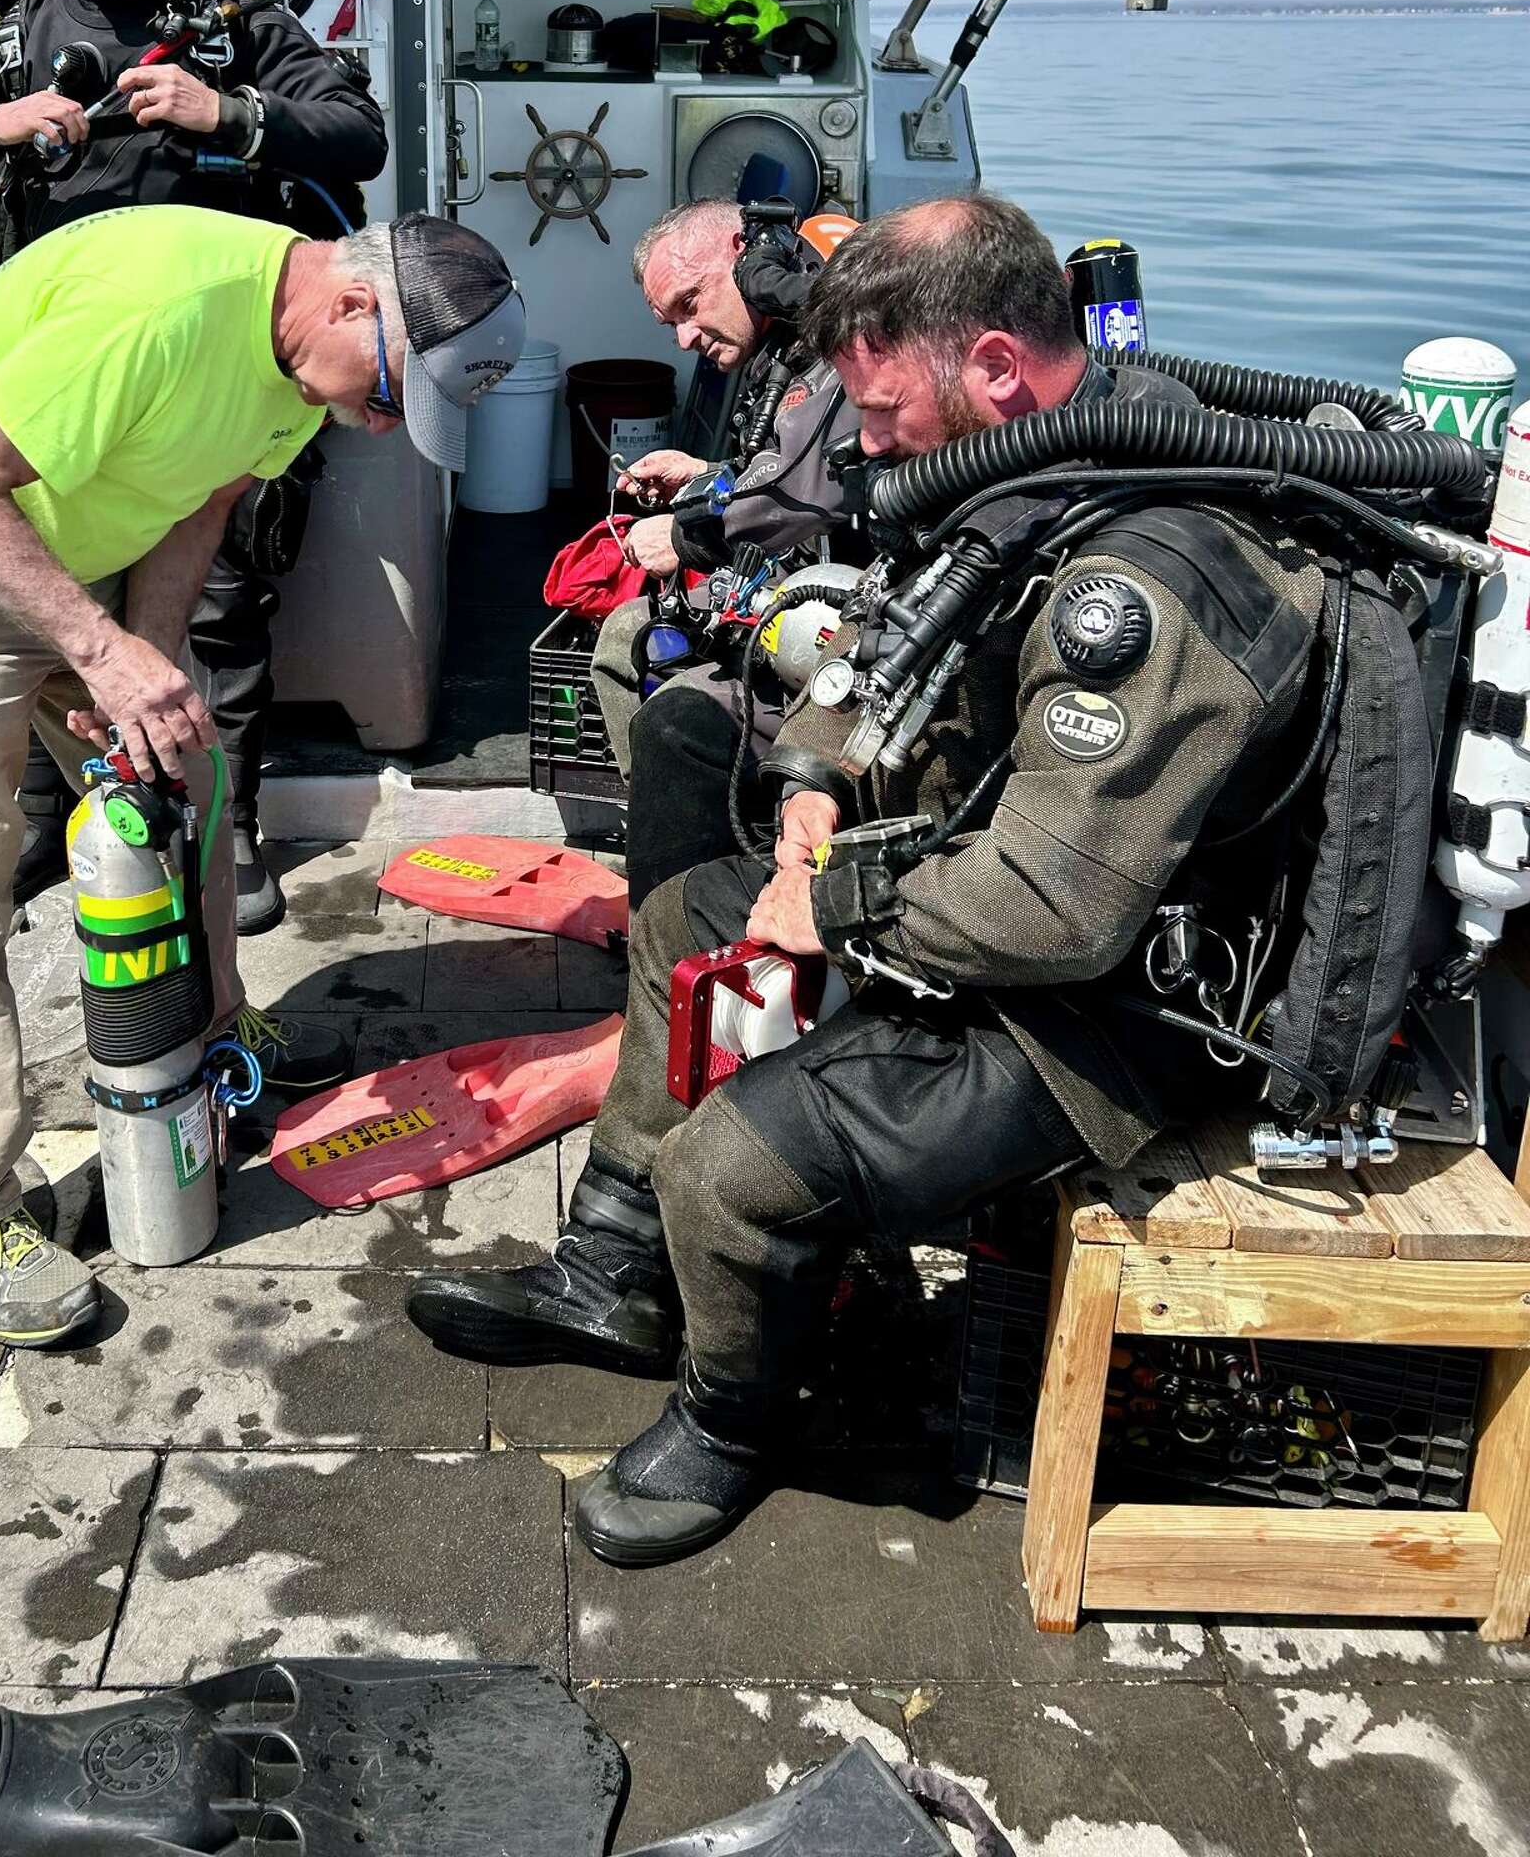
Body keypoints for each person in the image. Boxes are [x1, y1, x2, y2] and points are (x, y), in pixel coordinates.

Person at [409, 191, 1335, 1566]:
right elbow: (883, 644)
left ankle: (740, 1417)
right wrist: (812, 786)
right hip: (964, 901)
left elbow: (1056, 908)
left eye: (887, 411)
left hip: (1102, 1020)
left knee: (733, 1165)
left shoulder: (1139, 585)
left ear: (997, 369)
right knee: (683, 923)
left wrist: (829, 903)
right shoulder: (1012, 477)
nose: (873, 443)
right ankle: (616, 1277)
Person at [0, 204, 524, 1347]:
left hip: (72, 563)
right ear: (353, 302)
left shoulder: (302, 368)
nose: (382, 419)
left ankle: (210, 1033)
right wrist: (105, 654)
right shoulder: (164, 307)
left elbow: (199, 502)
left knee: (188, 788)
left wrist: (148, 664)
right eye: (395, 389)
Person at [0, 0, 388, 938]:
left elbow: (359, 134)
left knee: (217, 599)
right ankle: (40, 817)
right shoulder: (12, 23)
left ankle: (229, 814)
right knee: (31, 574)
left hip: (211, 353)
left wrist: (234, 114)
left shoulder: (231, 10)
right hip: (59, 355)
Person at [591, 200, 859, 902]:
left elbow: (807, 496)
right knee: (624, 638)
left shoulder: (841, 347)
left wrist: (682, 536)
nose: (684, 337)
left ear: (746, 256)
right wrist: (703, 477)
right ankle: (672, 840)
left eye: (689, 303)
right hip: (792, 586)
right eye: (669, 321)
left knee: (674, 718)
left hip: (848, 624)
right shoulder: (782, 350)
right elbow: (778, 474)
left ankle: (696, 896)